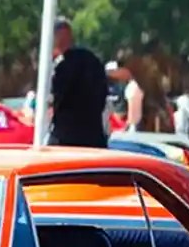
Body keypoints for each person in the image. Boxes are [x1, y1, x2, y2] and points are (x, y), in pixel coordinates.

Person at [49, 17, 108, 148]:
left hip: (67, 139)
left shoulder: (63, 66)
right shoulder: (94, 61)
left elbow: (58, 99)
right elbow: (103, 95)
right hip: (94, 137)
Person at [106, 61, 143, 132]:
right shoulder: (106, 85)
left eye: (113, 71)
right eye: (109, 72)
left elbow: (122, 114)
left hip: (122, 127)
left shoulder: (131, 87)